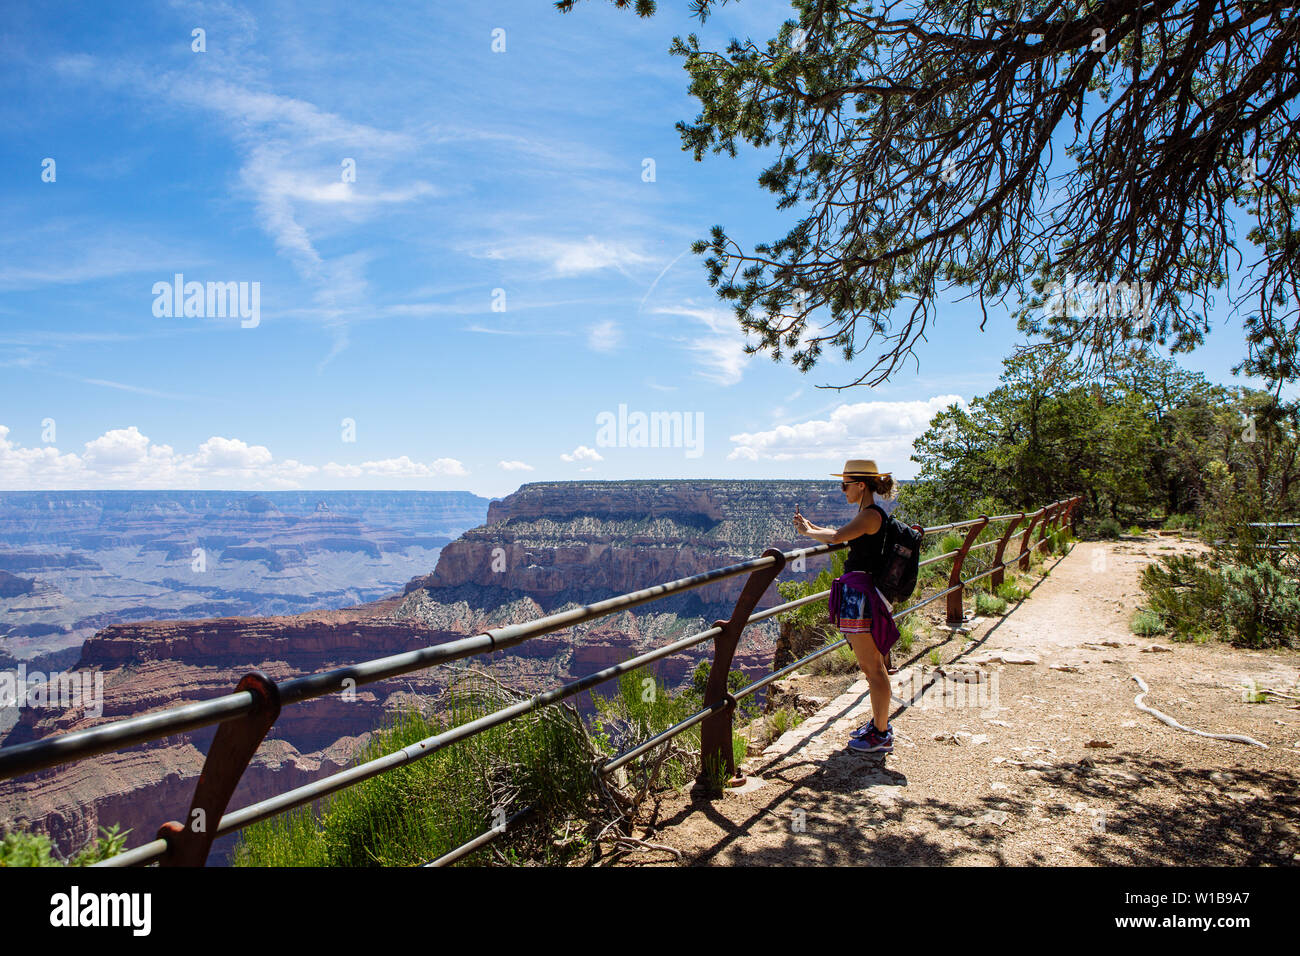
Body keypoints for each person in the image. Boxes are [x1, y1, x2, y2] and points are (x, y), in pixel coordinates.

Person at [793, 459, 898, 754]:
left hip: (862, 598)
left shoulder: (870, 516)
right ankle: (879, 725)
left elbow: (838, 536)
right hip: (861, 595)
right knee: (873, 666)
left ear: (860, 485)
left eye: (845, 485)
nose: (842, 490)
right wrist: (812, 527)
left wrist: (808, 534)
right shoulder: (867, 514)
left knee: (872, 668)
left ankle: (881, 734)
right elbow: (841, 532)